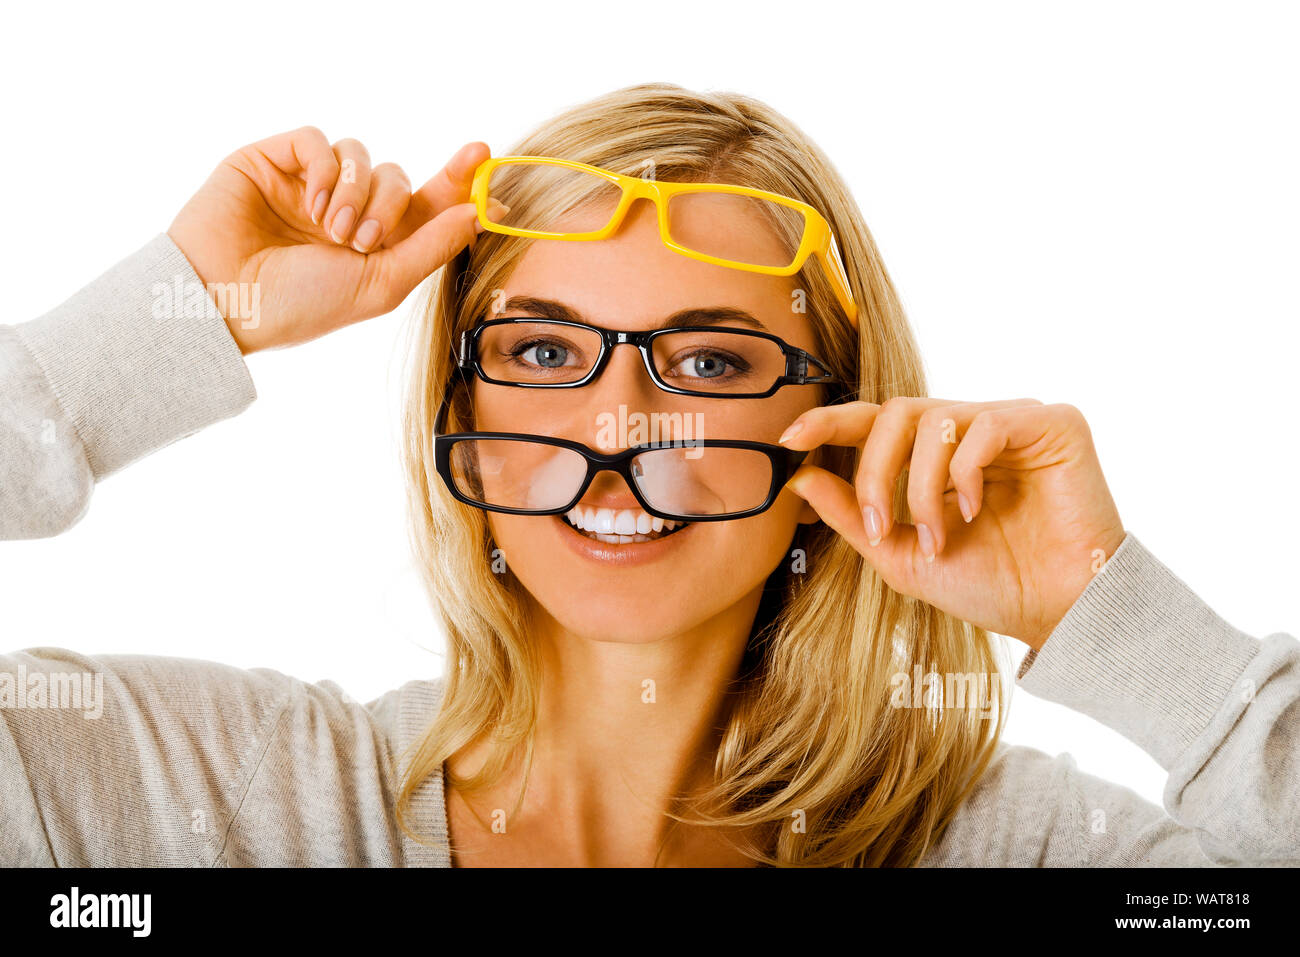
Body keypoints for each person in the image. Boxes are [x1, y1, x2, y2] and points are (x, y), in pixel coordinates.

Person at [1, 83, 1295, 867]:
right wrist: (171, 319)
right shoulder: (209, 799)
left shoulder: (1003, 847)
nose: (618, 427)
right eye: (545, 348)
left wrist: (1110, 612)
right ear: (462, 404)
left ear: (838, 422)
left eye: (713, 363)